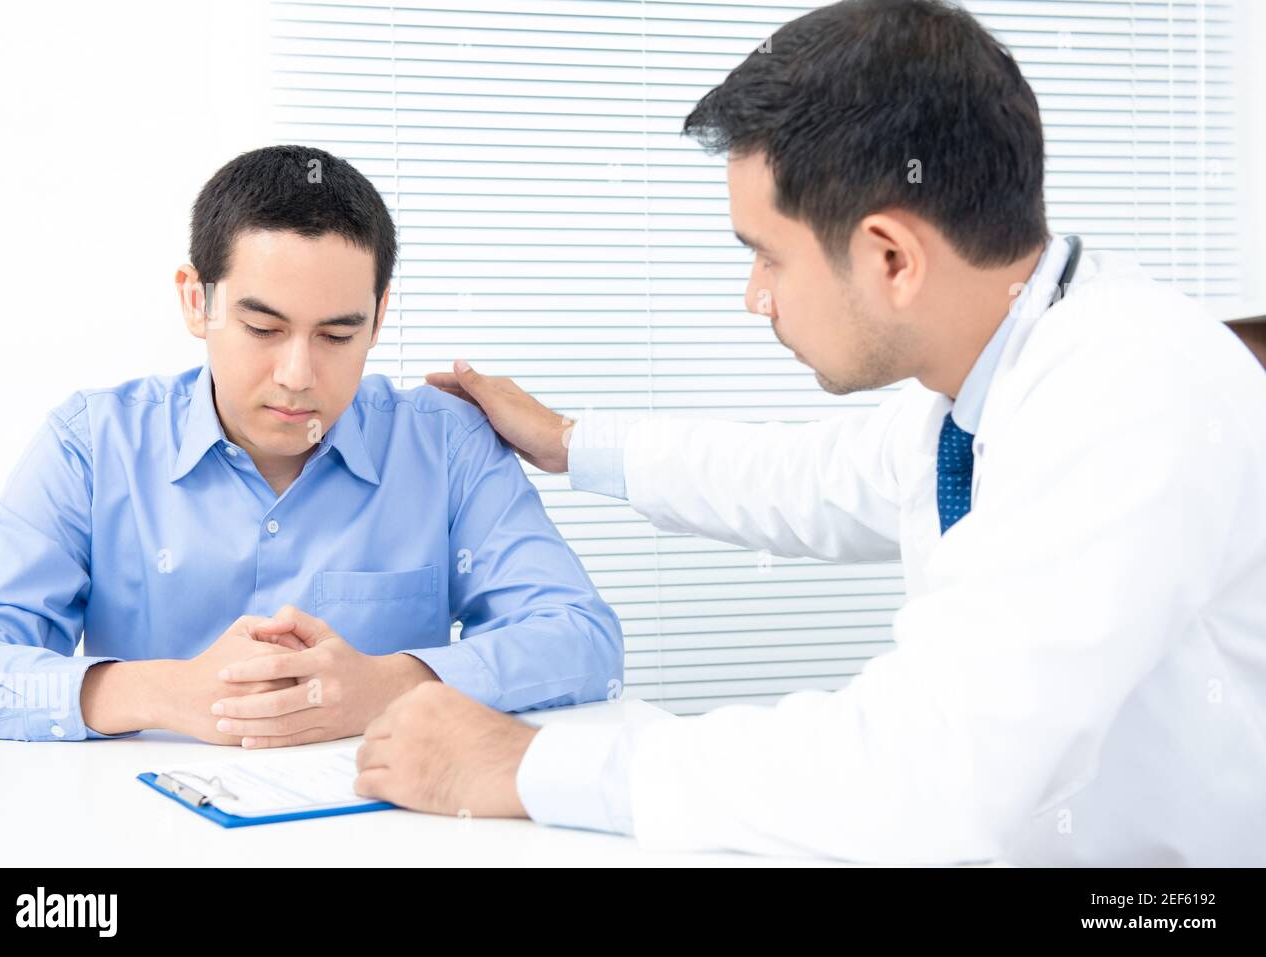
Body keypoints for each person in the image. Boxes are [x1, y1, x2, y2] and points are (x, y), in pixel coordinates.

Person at [348, 0, 1266, 865]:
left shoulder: (1131, 388)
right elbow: (802, 477)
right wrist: (567, 440)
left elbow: (932, 765)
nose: (756, 297)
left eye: (766, 255)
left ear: (891, 256)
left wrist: (528, 766)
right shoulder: (987, 383)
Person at [0, 145, 622, 747]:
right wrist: (160, 692)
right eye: (263, 326)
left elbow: (583, 641)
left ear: (379, 315)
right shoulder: (92, 445)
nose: (298, 375)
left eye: (337, 335)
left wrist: (391, 684)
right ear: (197, 301)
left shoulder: (446, 444)